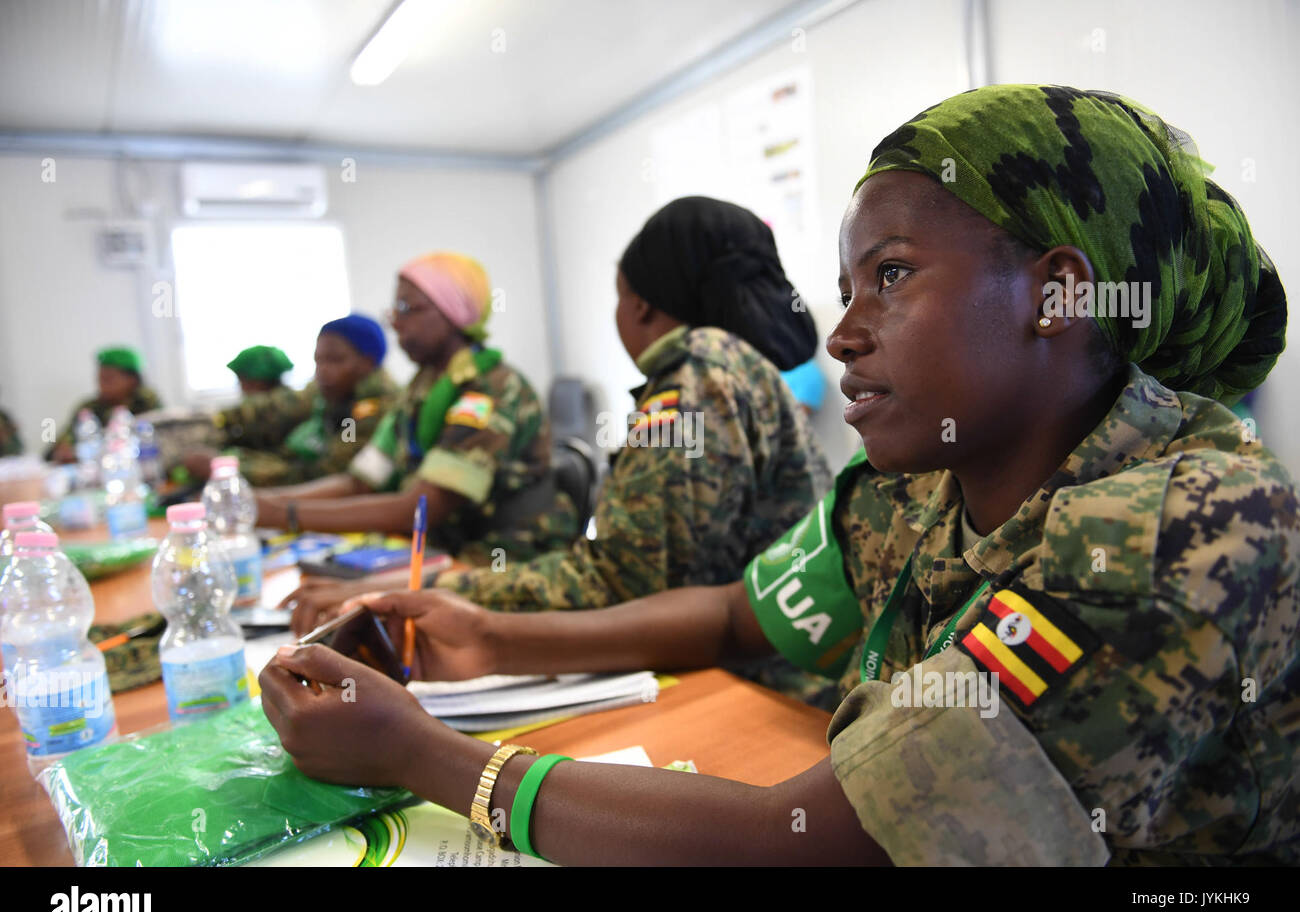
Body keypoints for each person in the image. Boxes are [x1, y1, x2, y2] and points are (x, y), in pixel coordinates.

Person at [259, 85, 1296, 865]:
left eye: (890, 275)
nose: (841, 334)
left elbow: (799, 845)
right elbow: (729, 615)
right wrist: (483, 633)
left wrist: (428, 757)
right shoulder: (923, 484)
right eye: (848, 285)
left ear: (1055, 297)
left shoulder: (1170, 532)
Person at [283, 199, 831, 660]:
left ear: (638, 305)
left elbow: (618, 580)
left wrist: (430, 588)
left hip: (750, 679)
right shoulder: (737, 369)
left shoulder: (697, 381)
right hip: (748, 655)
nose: (396, 321)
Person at [255, 253, 577, 566]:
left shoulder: (491, 390)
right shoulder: (423, 386)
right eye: (394, 308)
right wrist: (266, 503)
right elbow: (363, 479)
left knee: (352, 603)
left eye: (407, 307)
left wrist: (286, 515)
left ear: (454, 312)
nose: (395, 321)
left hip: (504, 557)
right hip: (442, 546)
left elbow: (421, 508)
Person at [187, 317, 399, 486]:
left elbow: (326, 475)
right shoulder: (332, 396)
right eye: (318, 360)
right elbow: (292, 452)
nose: (322, 371)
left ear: (367, 363)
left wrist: (230, 469)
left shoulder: (370, 409)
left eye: (335, 360)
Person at [47, 346, 162, 463]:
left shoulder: (146, 403)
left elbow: (162, 439)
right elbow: (55, 447)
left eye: (109, 379)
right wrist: (63, 449)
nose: (102, 385)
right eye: (100, 379)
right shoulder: (89, 409)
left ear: (132, 380)